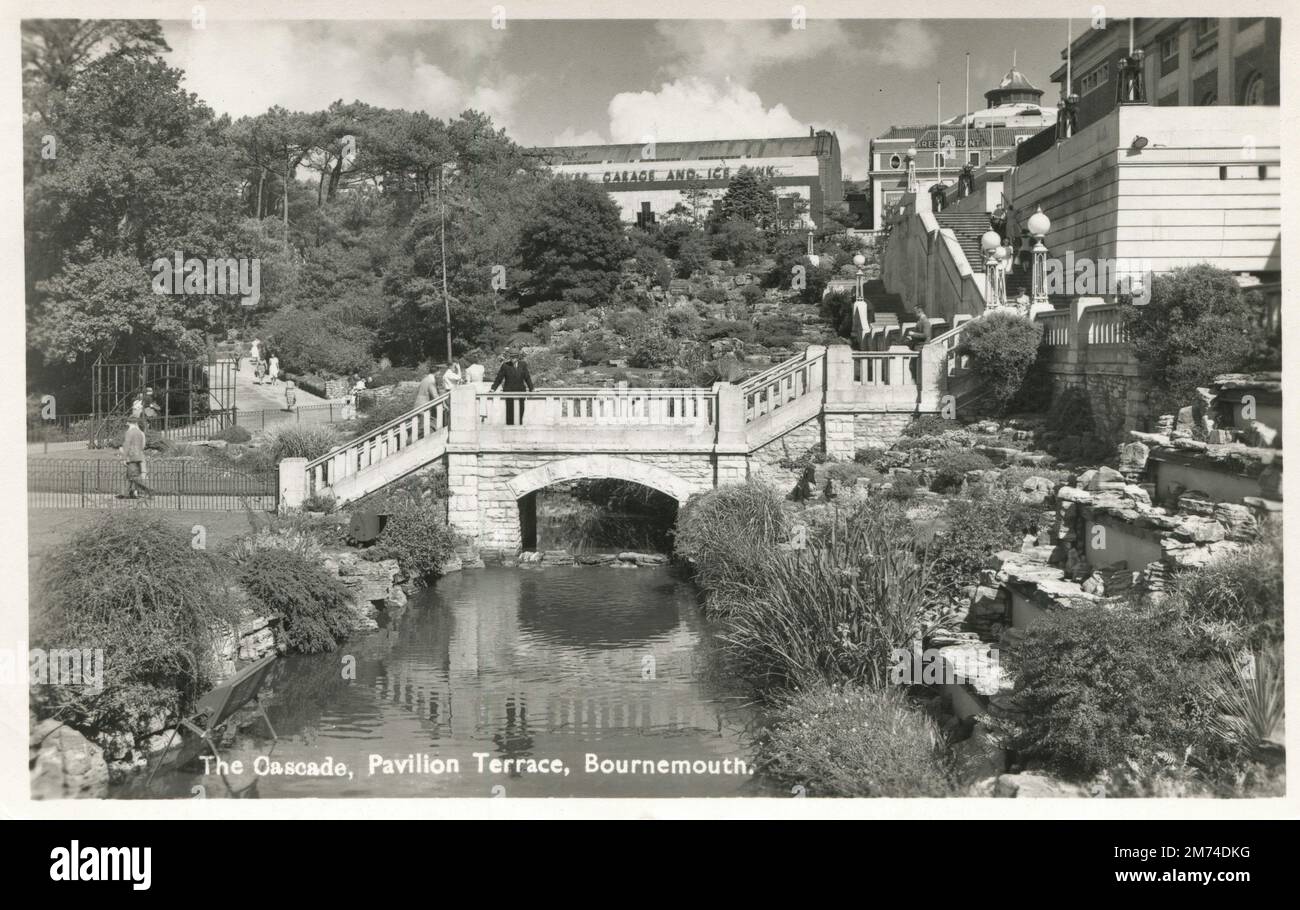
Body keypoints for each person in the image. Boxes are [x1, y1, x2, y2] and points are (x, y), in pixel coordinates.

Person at [490, 349, 534, 425]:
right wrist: (493, 388)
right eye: (511, 357)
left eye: (514, 357)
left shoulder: (523, 365)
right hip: (509, 392)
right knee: (510, 413)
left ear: (518, 357)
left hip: (521, 392)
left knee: (520, 412)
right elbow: (499, 378)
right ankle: (509, 431)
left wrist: (532, 389)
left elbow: (527, 378)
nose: (512, 359)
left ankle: (519, 429)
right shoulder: (505, 365)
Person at [119, 417, 151, 499]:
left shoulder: (129, 432)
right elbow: (143, 445)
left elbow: (126, 445)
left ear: (128, 423)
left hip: (131, 457)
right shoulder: (140, 433)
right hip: (139, 456)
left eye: (127, 423)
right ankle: (126, 493)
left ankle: (149, 490)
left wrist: (123, 458)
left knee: (133, 476)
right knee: (129, 476)